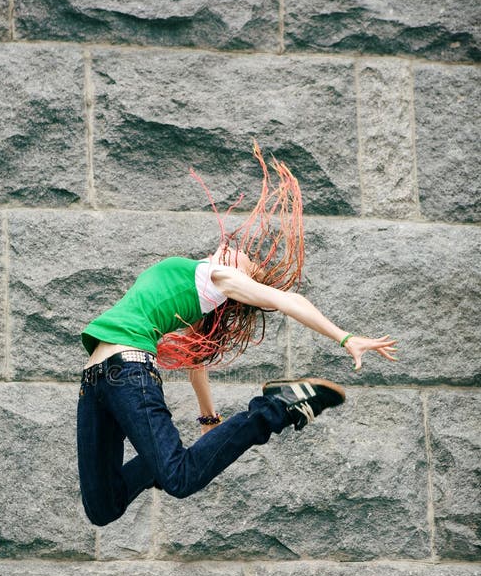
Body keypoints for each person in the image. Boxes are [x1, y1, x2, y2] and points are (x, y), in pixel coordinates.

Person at [77, 145, 397, 527]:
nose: (241, 250)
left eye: (250, 263)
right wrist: (209, 418)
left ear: (237, 285)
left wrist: (345, 338)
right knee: (103, 508)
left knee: (179, 478)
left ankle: (276, 408)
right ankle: (160, 459)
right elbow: (197, 365)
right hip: (95, 381)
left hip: (128, 374)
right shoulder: (194, 294)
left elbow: (289, 300)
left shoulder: (219, 279)